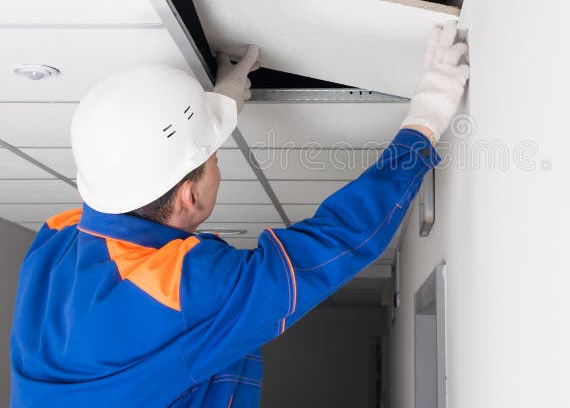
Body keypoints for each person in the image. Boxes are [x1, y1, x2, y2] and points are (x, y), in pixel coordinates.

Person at [9, 22, 470, 406]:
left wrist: (219, 107)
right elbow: (334, 244)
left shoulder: (56, 241)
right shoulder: (185, 289)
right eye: (213, 159)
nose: (218, 165)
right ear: (189, 195)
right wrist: (424, 123)